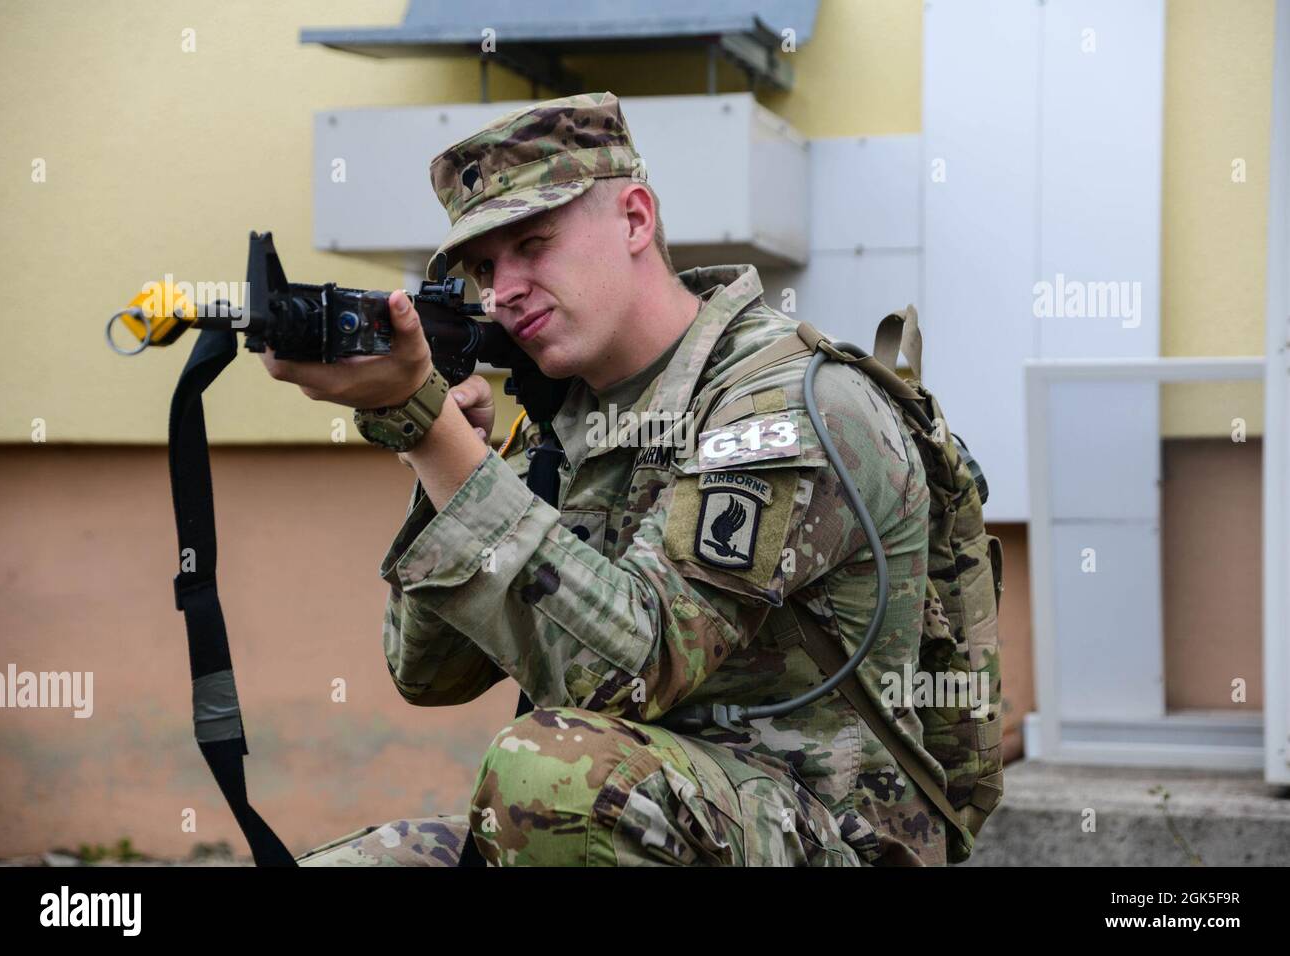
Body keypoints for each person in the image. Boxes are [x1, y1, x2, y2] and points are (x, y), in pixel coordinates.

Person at [265, 91, 948, 866]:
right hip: (638, 813)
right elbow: (427, 673)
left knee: (552, 772)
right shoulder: (565, 419)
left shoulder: (787, 405)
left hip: (823, 830)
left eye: (534, 244)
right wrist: (443, 451)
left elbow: (635, 668)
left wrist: (428, 427)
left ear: (634, 218)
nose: (504, 289)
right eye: (486, 267)